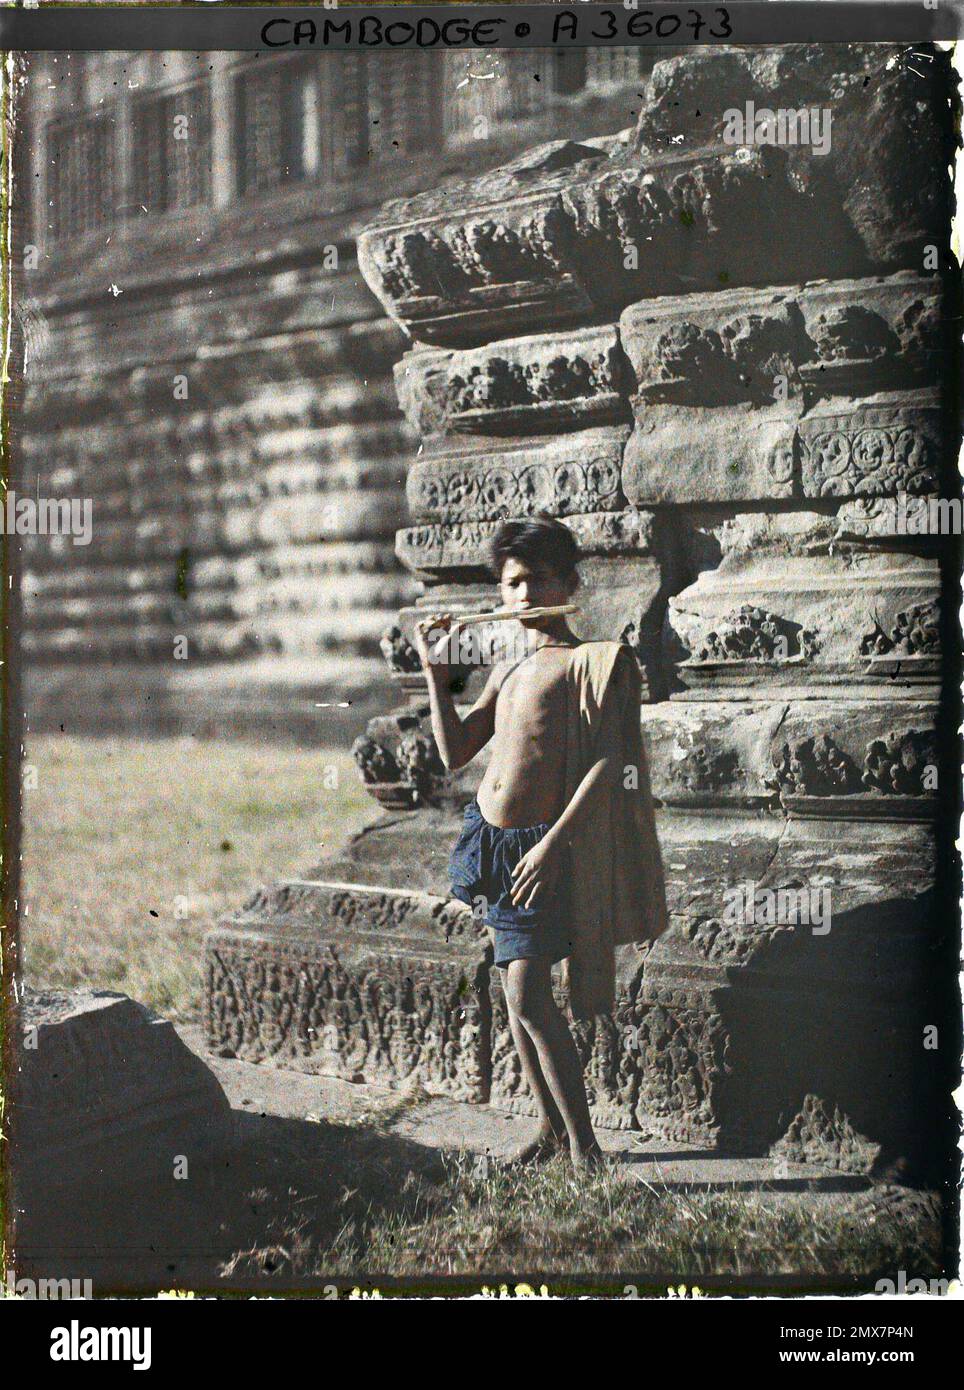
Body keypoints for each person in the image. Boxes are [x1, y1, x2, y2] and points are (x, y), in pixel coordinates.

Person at [413, 513, 667, 1171]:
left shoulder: (593, 664)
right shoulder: (508, 667)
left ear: (569, 583)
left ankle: (587, 1152)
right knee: (512, 993)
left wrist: (553, 845)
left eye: (535, 580)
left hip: (543, 850)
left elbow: (610, 767)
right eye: (511, 584)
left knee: (528, 997)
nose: (522, 596)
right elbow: (453, 752)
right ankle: (553, 1133)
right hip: (492, 847)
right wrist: (436, 678)